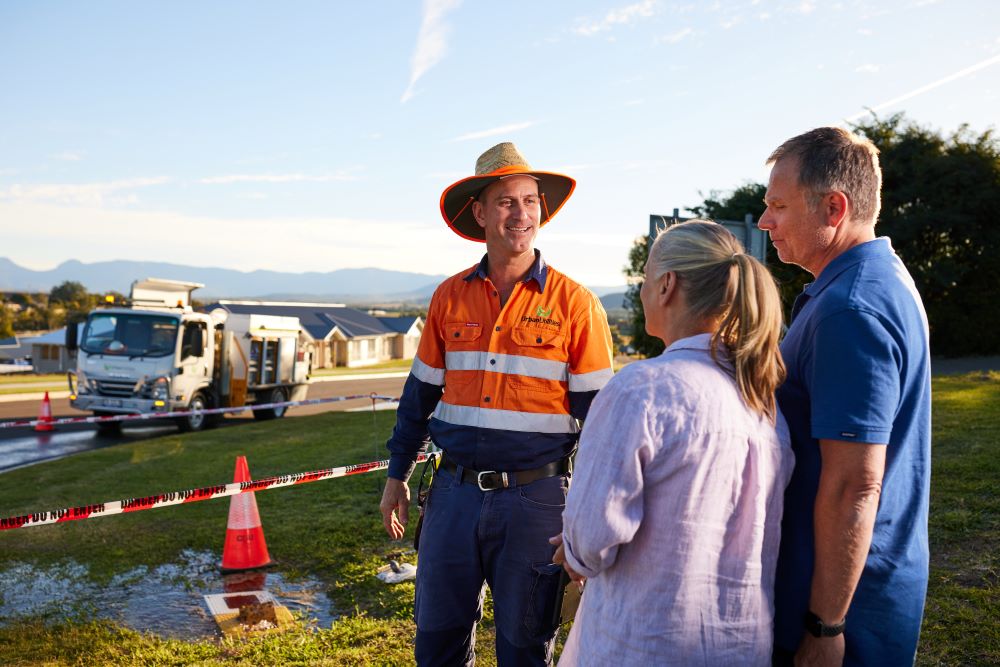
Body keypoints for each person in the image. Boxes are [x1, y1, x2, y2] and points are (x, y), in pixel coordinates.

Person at [379, 142, 615, 666]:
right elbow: (418, 398)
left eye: (530, 201)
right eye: (507, 202)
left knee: (526, 645)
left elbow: (602, 420)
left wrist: (593, 513)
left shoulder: (576, 304)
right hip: (452, 494)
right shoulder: (448, 297)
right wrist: (397, 474)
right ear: (481, 212)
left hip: (538, 500)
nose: (521, 213)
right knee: (437, 641)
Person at [553, 220, 794, 666]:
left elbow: (591, 539)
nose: (642, 291)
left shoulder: (639, 390)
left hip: (642, 643)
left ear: (666, 285)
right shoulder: (763, 404)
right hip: (740, 645)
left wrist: (572, 550)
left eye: (644, 278)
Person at [760, 127, 932, 666]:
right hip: (856, 589)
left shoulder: (851, 310)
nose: (765, 222)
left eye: (778, 206)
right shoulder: (867, 281)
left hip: (842, 612)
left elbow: (854, 484)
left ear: (834, 207)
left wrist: (824, 626)